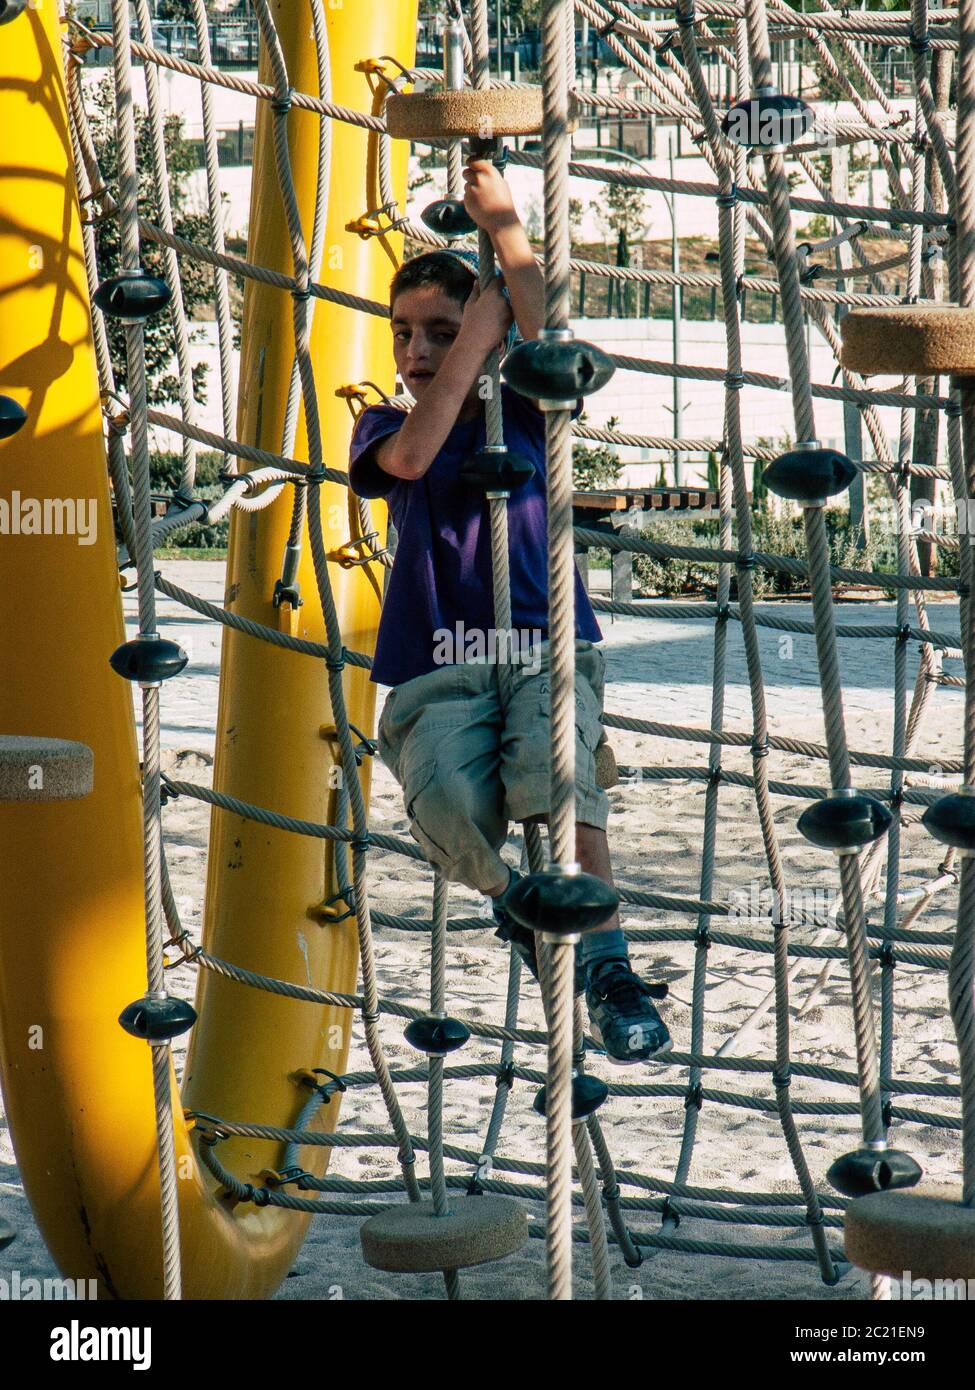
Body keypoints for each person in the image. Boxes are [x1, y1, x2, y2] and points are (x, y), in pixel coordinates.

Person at [348, 155, 670, 1063]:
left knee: (559, 782)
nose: (416, 352)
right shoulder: (382, 426)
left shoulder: (526, 410)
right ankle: (522, 913)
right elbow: (411, 461)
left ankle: (605, 964)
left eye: (439, 332)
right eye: (402, 333)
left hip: (539, 641)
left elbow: (548, 332)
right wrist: (468, 343)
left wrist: (505, 234)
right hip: (438, 659)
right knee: (446, 803)